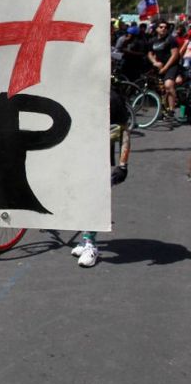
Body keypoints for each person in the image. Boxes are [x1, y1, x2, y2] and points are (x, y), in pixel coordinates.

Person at [70, 90, 131, 267]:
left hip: (100, 158)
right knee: (82, 198)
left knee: (95, 199)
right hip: (83, 154)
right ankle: (86, 239)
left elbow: (124, 133)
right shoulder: (80, 96)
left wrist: (123, 165)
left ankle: (91, 244)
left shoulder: (113, 99)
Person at [147, 20, 180, 119]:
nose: (163, 29)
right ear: (156, 29)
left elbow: (175, 55)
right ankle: (162, 110)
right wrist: (154, 62)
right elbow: (149, 54)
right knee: (160, 88)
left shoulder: (171, 39)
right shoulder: (152, 40)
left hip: (172, 65)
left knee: (168, 85)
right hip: (160, 65)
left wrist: (165, 68)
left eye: (165, 27)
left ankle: (172, 109)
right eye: (161, 27)